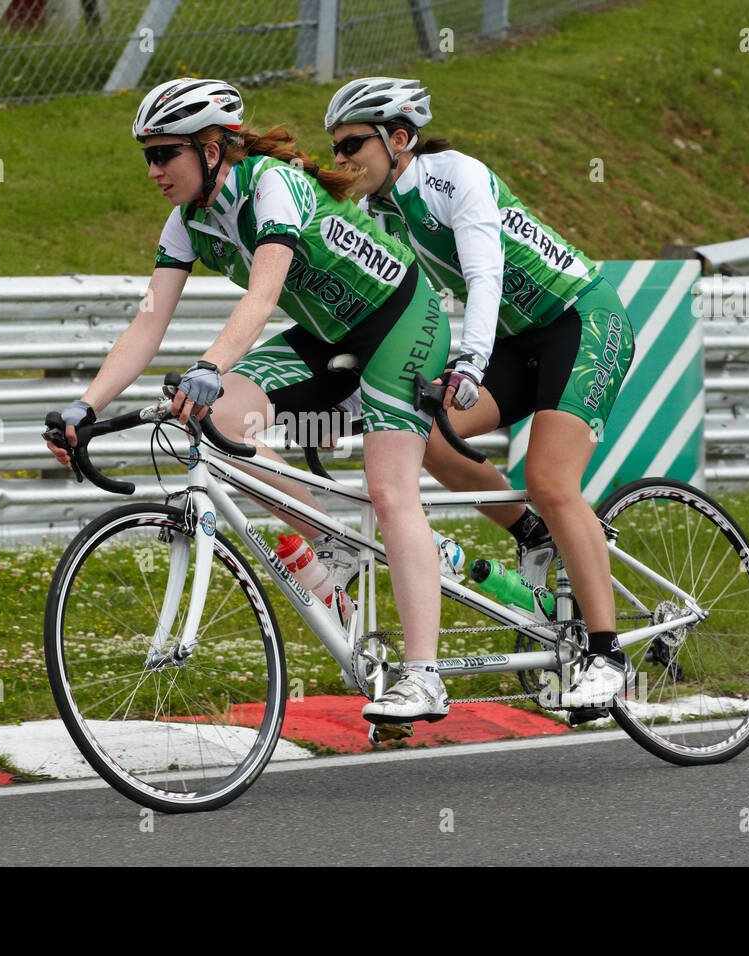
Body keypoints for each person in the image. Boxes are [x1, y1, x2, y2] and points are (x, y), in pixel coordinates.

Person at [45, 77, 455, 724]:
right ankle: (333, 540)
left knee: (390, 489)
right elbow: (147, 324)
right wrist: (86, 407)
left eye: (163, 154)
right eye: (146, 156)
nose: (152, 170)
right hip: (327, 336)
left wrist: (209, 363)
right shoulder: (187, 222)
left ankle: (425, 677)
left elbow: (262, 296)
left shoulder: (270, 184)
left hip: (400, 322)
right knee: (219, 413)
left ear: (212, 149)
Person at [325, 77, 638, 708]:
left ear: (400, 138)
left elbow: (482, 272)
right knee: (427, 439)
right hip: (517, 341)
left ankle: (608, 656)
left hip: (580, 318)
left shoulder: (453, 176)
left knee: (551, 478)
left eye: (353, 143)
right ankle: (535, 536)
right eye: (334, 148)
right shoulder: (378, 210)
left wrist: (470, 361)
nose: (341, 160)